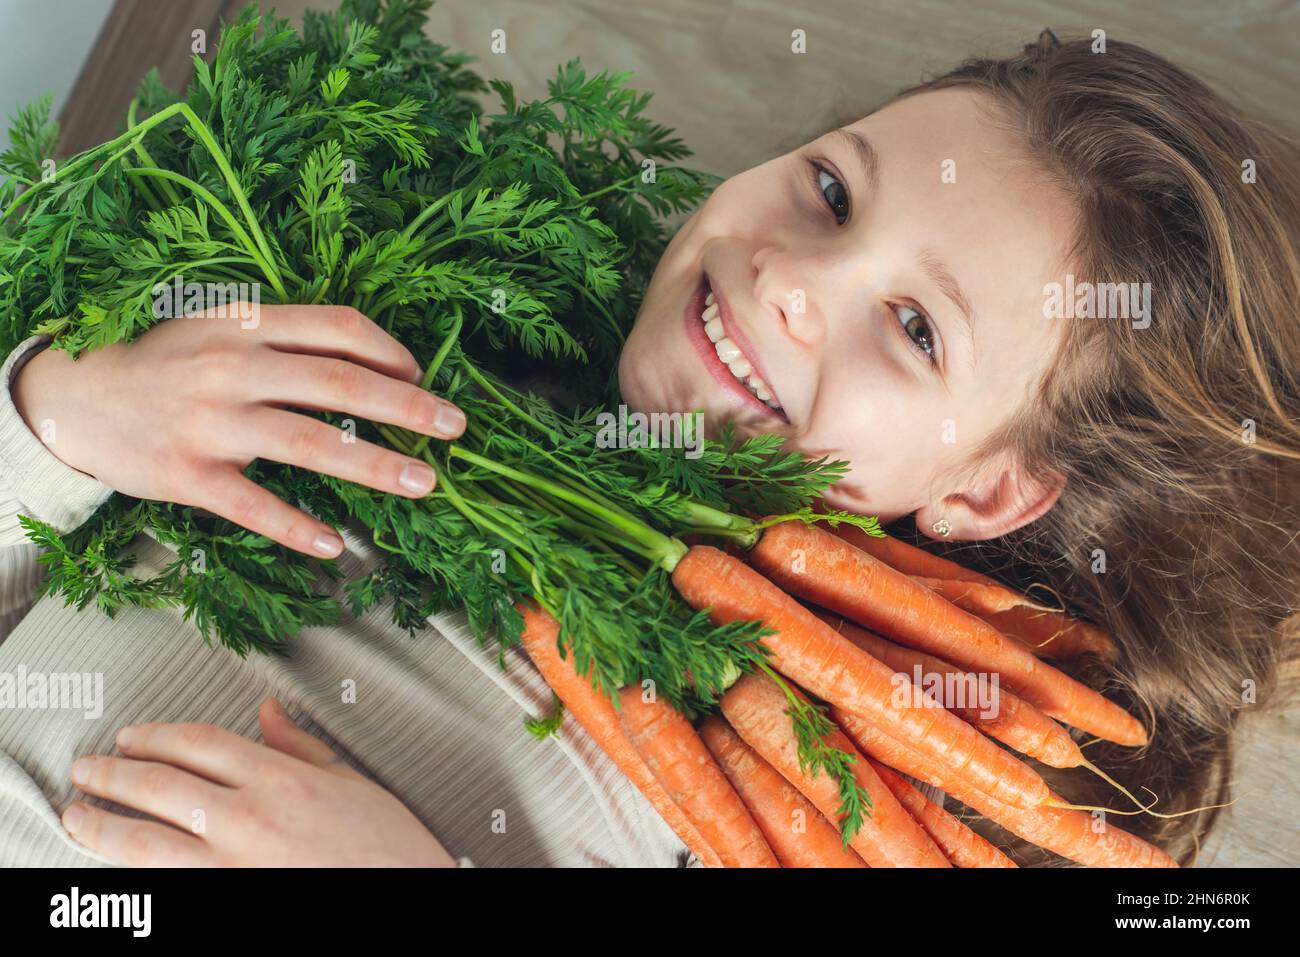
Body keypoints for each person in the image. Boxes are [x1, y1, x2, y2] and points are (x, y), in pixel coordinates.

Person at [0, 32, 1295, 866]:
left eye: (913, 328)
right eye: (833, 192)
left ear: (989, 488)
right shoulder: (405, 332)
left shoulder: (794, 795)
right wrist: (60, 419)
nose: (794, 276)